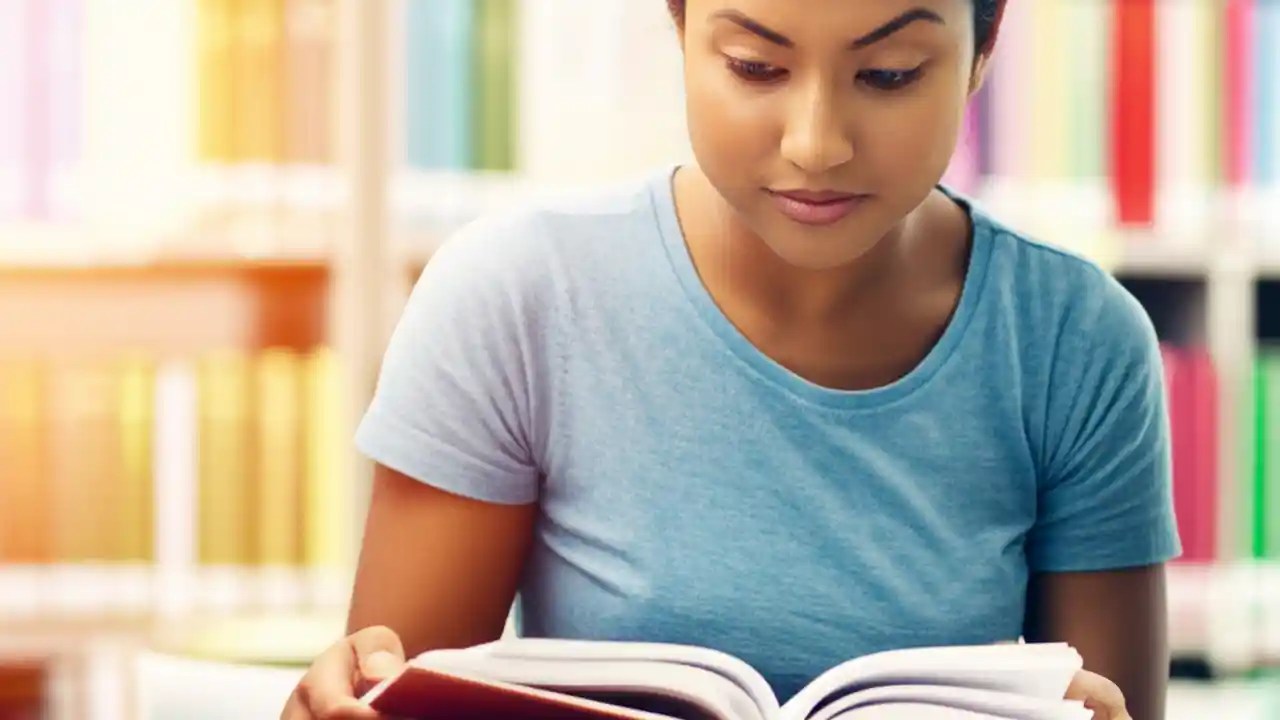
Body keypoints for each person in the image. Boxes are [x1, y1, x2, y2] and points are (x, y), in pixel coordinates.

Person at [281, 1, 1179, 719]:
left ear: (983, 50)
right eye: (756, 65)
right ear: (678, 26)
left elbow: (1114, 706)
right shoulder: (516, 298)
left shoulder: (1078, 343)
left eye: (889, 73)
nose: (815, 143)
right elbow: (401, 695)